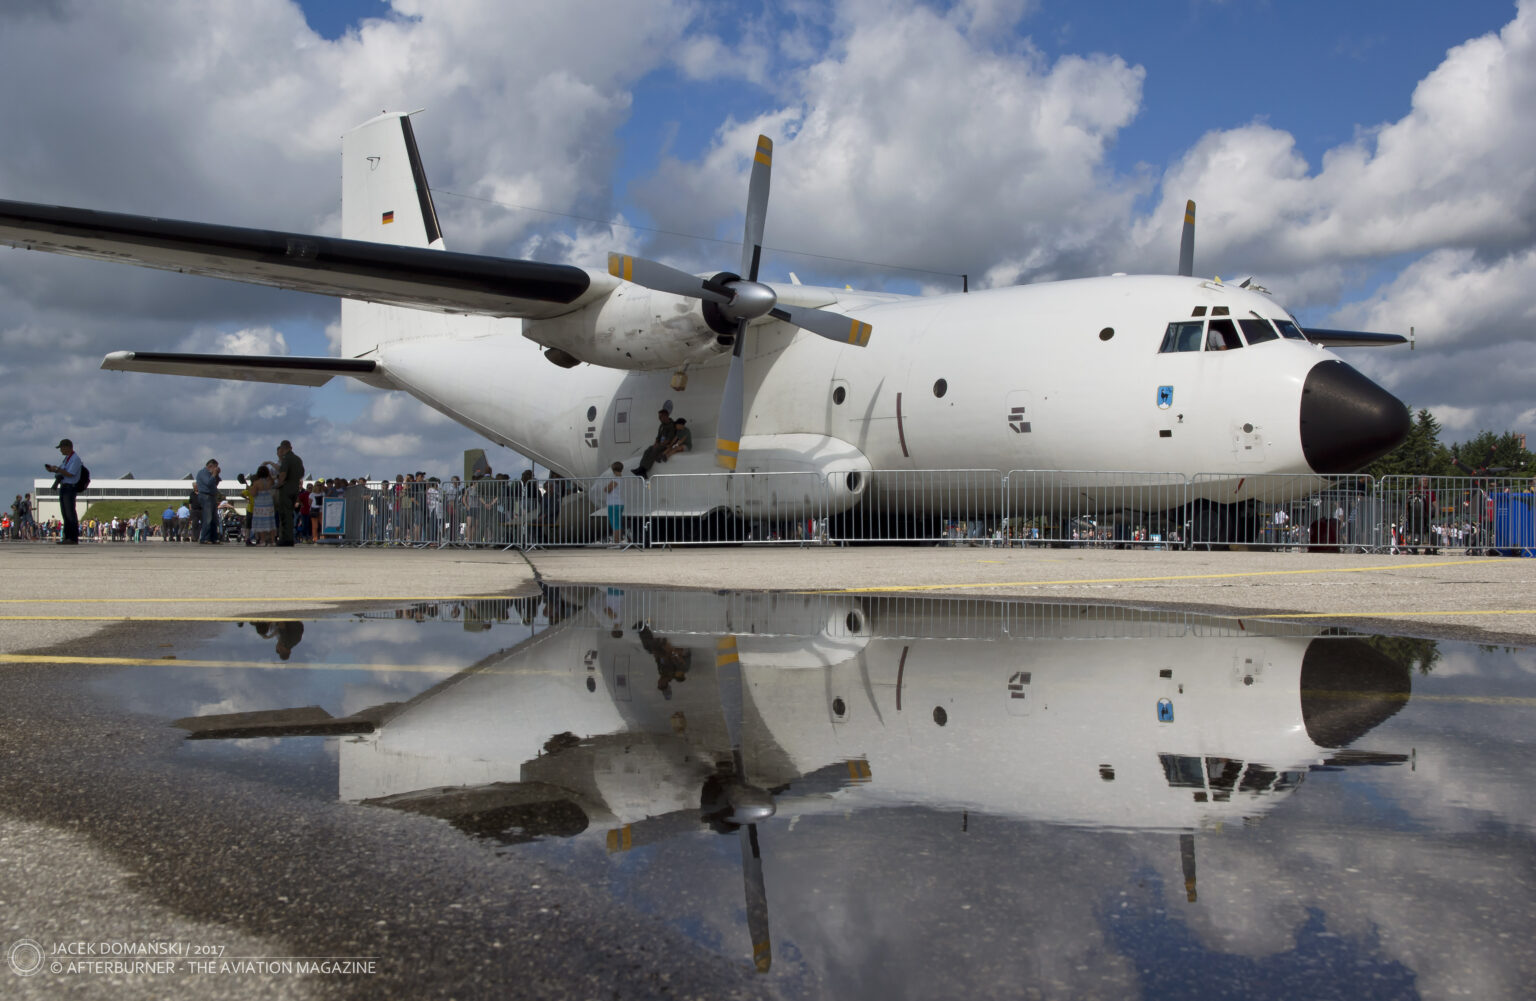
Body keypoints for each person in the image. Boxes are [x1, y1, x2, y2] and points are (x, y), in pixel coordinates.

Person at [44, 438, 83, 545]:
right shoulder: (67, 459)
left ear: (67, 447)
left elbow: (70, 473)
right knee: (65, 513)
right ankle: (67, 536)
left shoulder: (75, 459)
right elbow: (62, 470)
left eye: (61, 448)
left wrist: (57, 469)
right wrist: (54, 470)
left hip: (70, 487)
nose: (60, 450)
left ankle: (73, 537)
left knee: (70, 513)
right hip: (64, 487)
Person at [273, 440, 305, 546]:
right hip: (295, 488)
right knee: (290, 514)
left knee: (284, 514)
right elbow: (302, 473)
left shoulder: (287, 459)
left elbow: (283, 474)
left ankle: (286, 538)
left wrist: (279, 484)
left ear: (283, 448)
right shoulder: (298, 459)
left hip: (286, 489)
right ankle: (290, 537)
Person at [632, 408, 677, 478]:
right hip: (660, 444)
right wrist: (656, 443)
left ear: (666, 416)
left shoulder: (672, 425)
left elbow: (669, 439)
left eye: (660, 417)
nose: (659, 418)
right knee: (648, 450)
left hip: (667, 445)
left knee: (654, 450)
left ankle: (644, 470)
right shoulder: (662, 425)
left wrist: (659, 445)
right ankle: (641, 468)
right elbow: (658, 436)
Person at [195, 459, 222, 543]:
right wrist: (214, 474)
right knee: (208, 518)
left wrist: (216, 475)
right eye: (215, 467)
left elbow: (215, 483)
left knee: (214, 519)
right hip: (205, 496)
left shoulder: (211, 474)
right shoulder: (203, 473)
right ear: (210, 466)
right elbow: (208, 483)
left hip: (212, 497)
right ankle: (204, 538)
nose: (216, 469)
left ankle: (213, 538)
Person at [250, 467, 276, 545]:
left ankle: (263, 540)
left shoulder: (256, 483)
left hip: (260, 505)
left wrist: (250, 489)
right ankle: (272, 540)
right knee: (270, 522)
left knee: (261, 523)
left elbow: (253, 494)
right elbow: (273, 482)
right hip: (269, 504)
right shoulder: (269, 482)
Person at [601, 461, 626, 545]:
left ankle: (616, 541)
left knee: (615, 523)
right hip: (620, 503)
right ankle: (618, 540)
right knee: (618, 523)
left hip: (613, 503)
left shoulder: (615, 479)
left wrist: (606, 486)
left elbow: (607, 489)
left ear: (613, 470)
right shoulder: (622, 479)